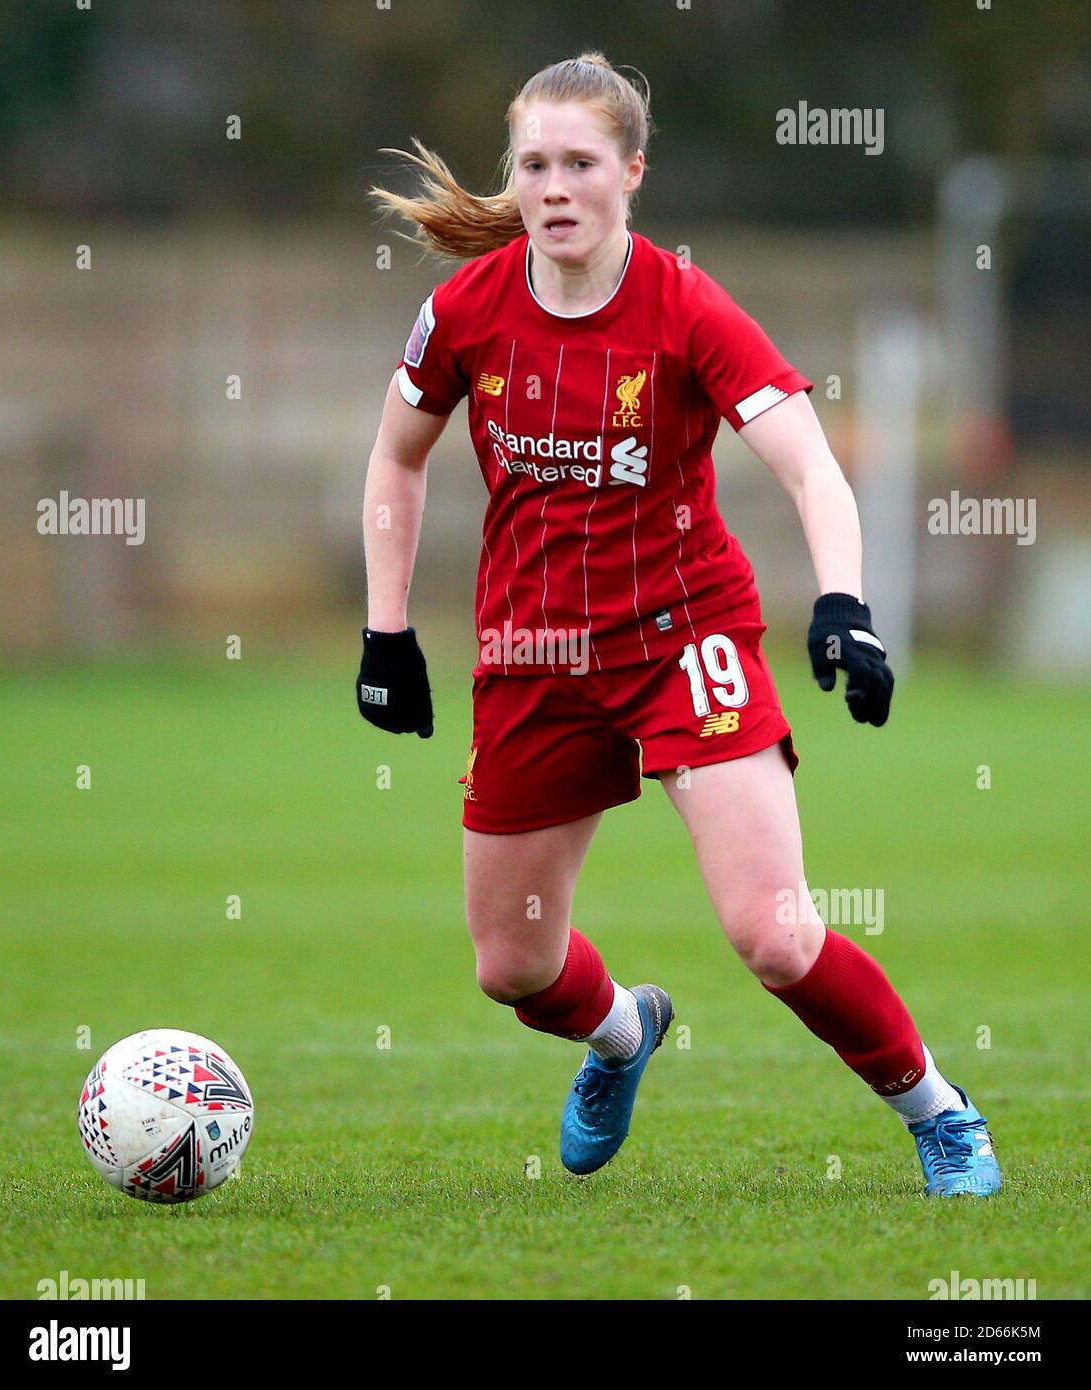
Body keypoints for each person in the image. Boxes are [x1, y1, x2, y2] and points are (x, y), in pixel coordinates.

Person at [357, 51, 1001, 1197]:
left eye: (580, 164)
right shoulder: (464, 306)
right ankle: (621, 1034)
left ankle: (940, 1112)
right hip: (532, 652)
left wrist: (846, 604)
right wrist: (385, 631)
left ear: (631, 173)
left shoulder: (685, 307)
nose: (553, 187)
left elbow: (809, 467)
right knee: (512, 967)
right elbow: (396, 458)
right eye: (534, 163)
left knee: (774, 936)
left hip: (682, 636)